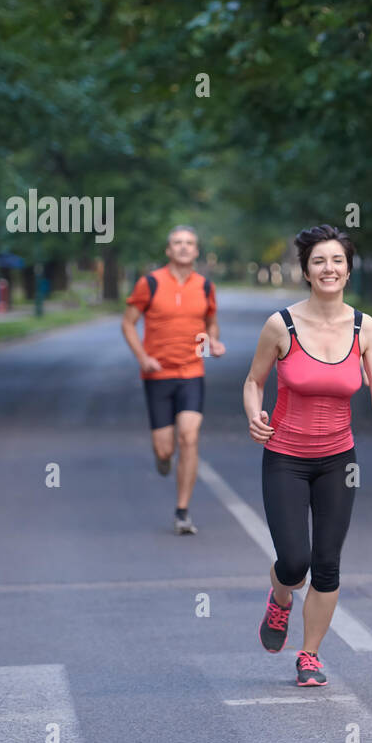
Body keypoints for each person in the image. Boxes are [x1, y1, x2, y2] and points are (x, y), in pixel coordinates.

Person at [243, 225, 372, 687]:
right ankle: (280, 597)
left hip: (339, 461)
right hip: (286, 457)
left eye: (336, 260)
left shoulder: (365, 328)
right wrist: (255, 415)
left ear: (348, 269)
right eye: (318, 262)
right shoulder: (281, 325)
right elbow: (254, 381)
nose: (328, 269)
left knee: (327, 563)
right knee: (295, 562)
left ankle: (309, 655)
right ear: (306, 271)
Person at [121, 225, 224, 535]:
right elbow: (128, 324)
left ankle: (182, 511)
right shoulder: (149, 283)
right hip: (157, 375)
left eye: (189, 243)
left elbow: (212, 324)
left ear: (196, 250)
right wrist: (143, 358)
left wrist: (212, 344)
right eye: (177, 243)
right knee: (165, 449)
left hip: (191, 372)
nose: (183, 247)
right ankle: (163, 458)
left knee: (189, 437)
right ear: (168, 250)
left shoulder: (205, 286)